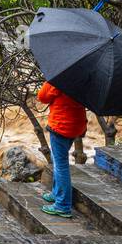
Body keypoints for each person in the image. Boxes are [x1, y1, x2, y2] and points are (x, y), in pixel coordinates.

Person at [37, 80, 87, 218]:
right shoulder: (85, 79)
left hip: (61, 126)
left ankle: (62, 205)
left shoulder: (59, 79)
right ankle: (56, 192)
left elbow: (42, 97)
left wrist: (48, 81)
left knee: (61, 165)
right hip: (77, 125)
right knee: (56, 158)